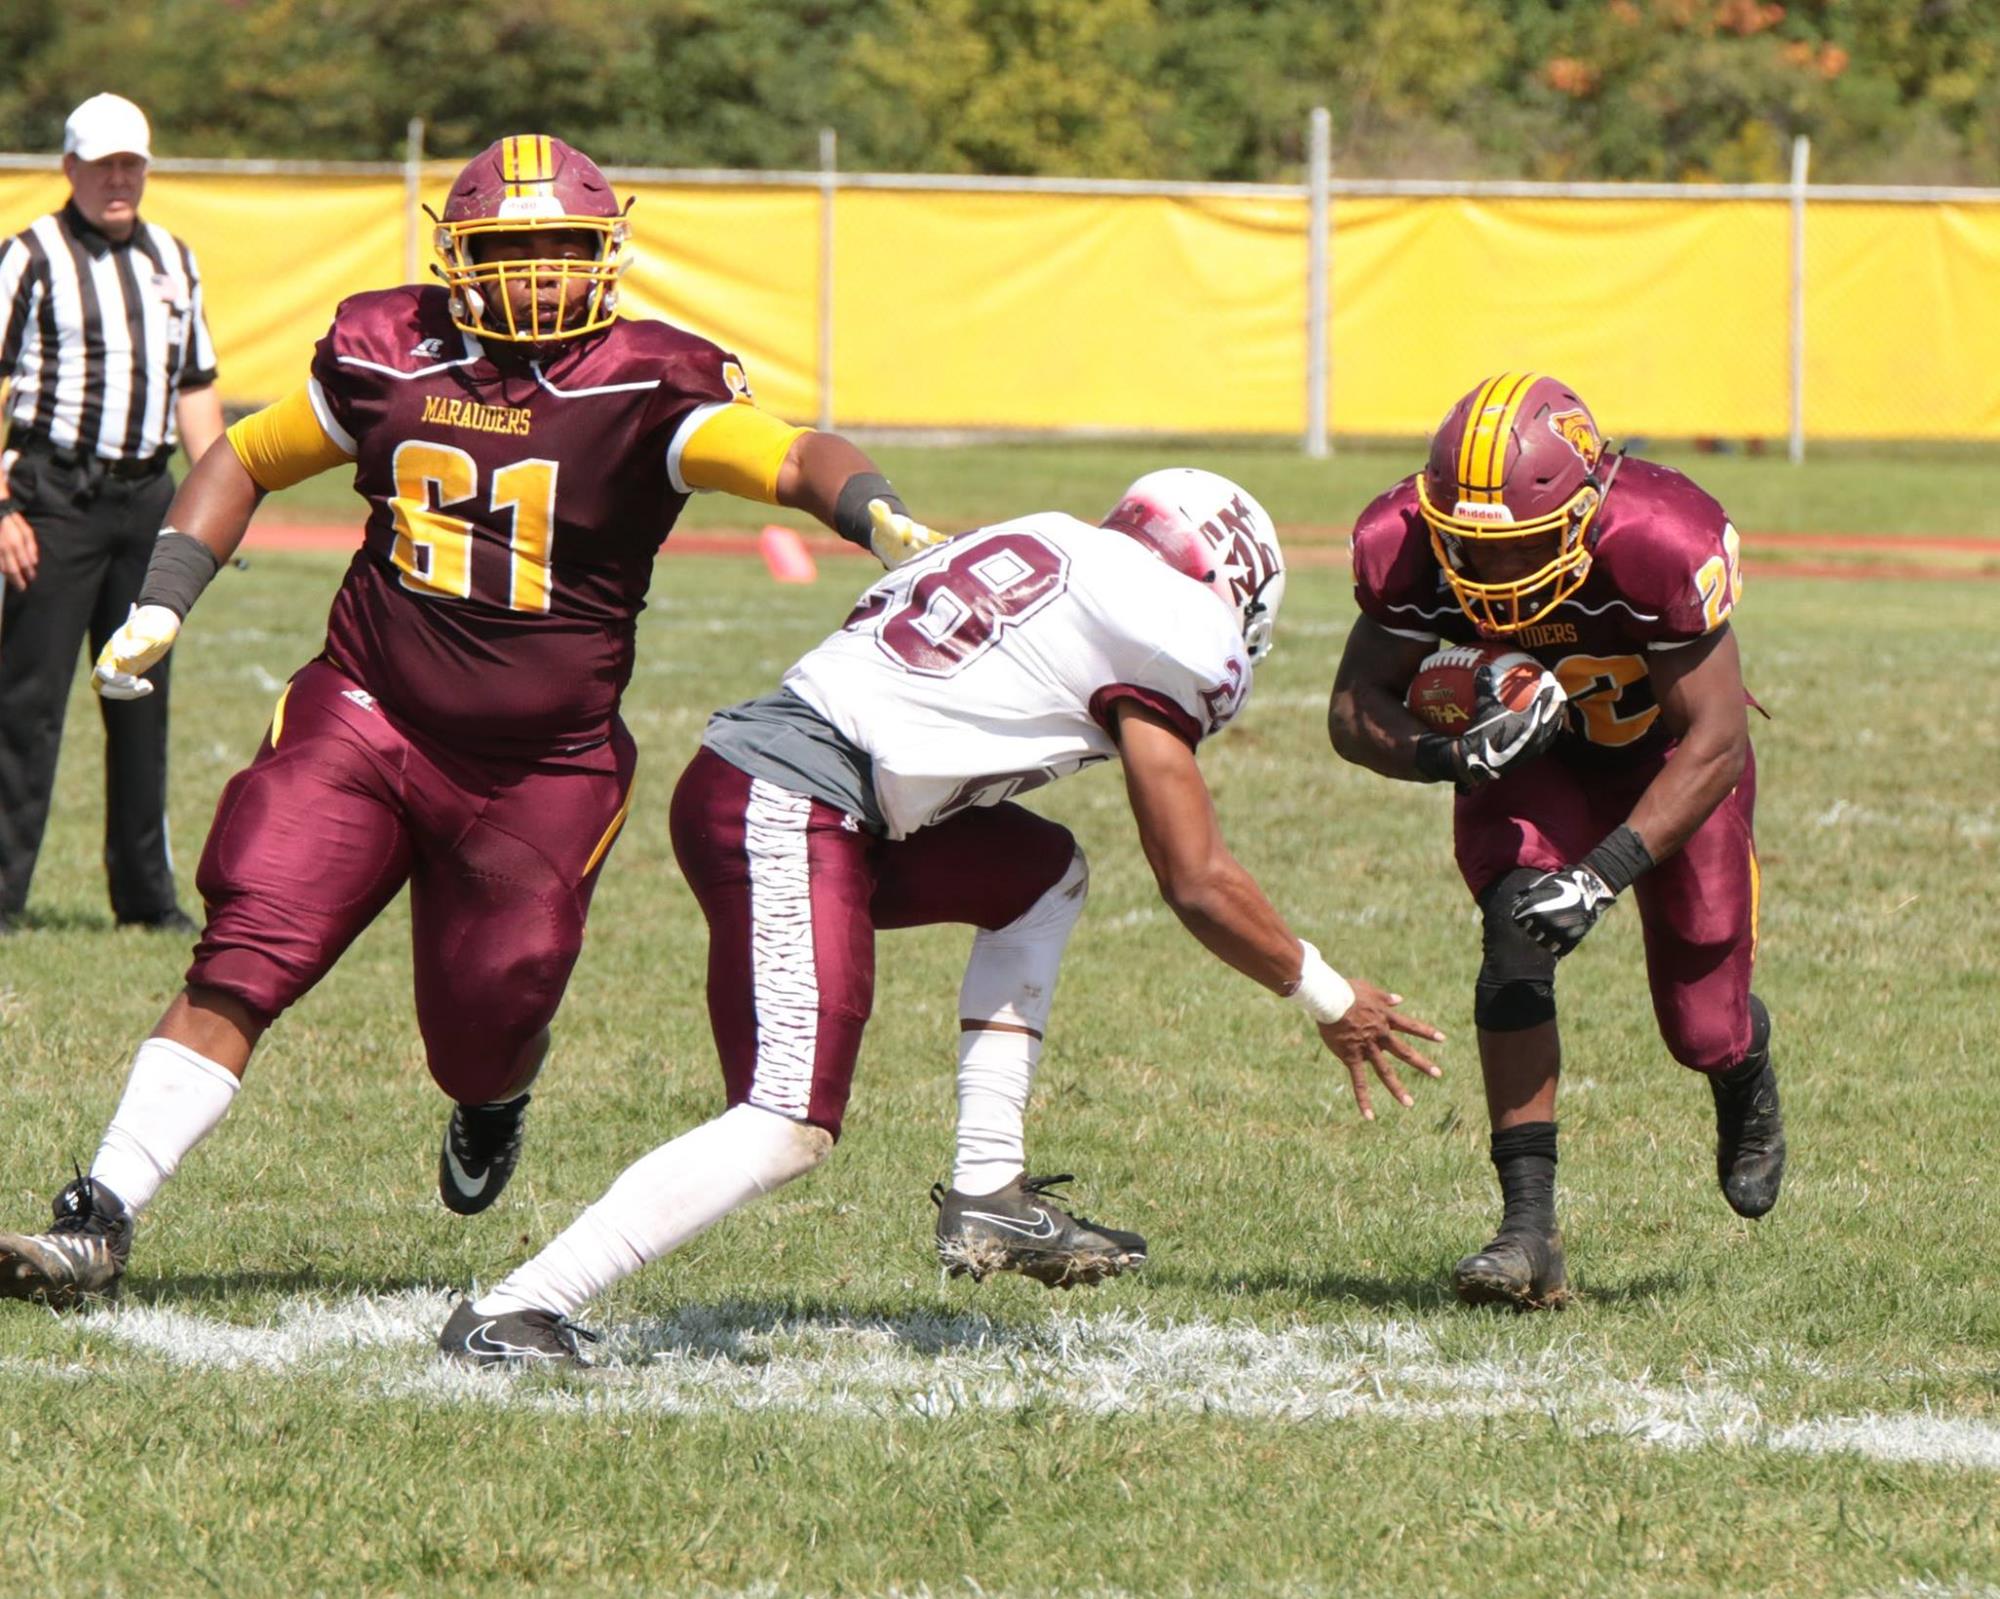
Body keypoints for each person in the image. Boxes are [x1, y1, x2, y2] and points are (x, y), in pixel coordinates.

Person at [0, 133, 943, 1308]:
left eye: (561, 246)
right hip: (369, 710)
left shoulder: (649, 378)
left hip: (540, 771)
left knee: (484, 1021)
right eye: (513, 247)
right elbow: (245, 455)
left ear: (604, 255)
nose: (539, 272)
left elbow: (787, 455)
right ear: (458, 257)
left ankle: (493, 1096)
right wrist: (163, 595)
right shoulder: (389, 351)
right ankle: (98, 1214)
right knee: (249, 941)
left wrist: (875, 512)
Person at [435, 467, 1446, 1365]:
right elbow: (1195, 878)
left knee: (1037, 872)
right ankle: (520, 1306)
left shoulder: (1048, 536)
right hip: (795, 800)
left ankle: (988, 1193)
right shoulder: (1171, 624)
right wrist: (1325, 995)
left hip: (813, 791)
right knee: (783, 1120)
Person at [1327, 371, 1783, 1311]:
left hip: (1663, 763)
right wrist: (1445, 753)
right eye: (1471, 546)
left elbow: (1716, 740)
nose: (1493, 573)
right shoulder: (1407, 543)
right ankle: (1528, 1231)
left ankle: (1743, 1063)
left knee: (1701, 1023)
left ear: (1586, 508)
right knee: (1516, 929)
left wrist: (1605, 874)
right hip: (1534, 762)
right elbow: (1351, 707)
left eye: (1521, 544)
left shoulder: (1660, 535)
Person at [0, 93, 224, 933]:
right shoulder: (26, 256)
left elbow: (196, 386)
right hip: (54, 500)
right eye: (102, 165)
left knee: (141, 694)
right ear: (70, 168)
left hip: (146, 501)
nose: (119, 179)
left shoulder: (173, 256)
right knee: (28, 702)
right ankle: (2, 894)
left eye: (132, 163)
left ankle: (144, 898)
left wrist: (217, 500)